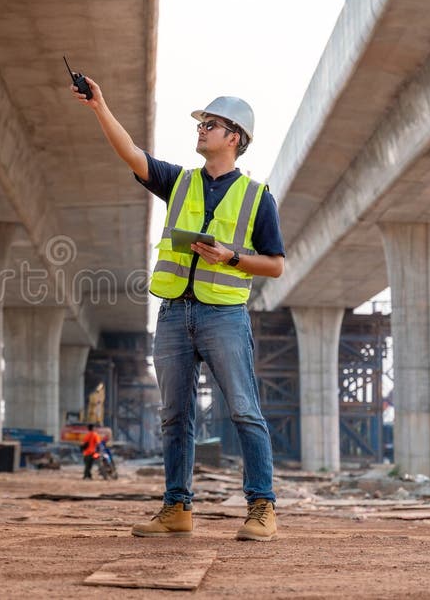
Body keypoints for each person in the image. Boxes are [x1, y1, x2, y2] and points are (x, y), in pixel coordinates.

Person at [71, 76, 284, 541]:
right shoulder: (181, 182)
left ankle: (262, 508)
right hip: (172, 315)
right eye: (201, 123)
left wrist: (230, 257)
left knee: (245, 410)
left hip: (223, 316)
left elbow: (275, 265)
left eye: (211, 124)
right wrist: (99, 106)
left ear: (235, 138)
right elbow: (130, 152)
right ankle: (176, 508)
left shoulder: (256, 196)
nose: (201, 129)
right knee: (174, 416)